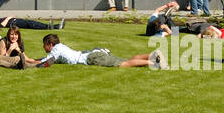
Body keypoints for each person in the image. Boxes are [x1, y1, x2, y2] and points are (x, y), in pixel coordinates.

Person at [24, 33, 166, 69]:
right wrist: (30, 59)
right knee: (126, 60)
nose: (44, 48)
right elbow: (45, 59)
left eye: (44, 45)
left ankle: (153, 62)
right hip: (92, 54)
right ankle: (152, 55)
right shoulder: (60, 47)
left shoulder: (55, 50)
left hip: (91, 58)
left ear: (49, 44)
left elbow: (46, 63)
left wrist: (30, 63)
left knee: (123, 65)